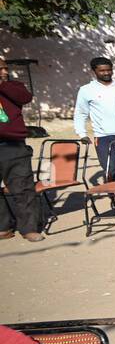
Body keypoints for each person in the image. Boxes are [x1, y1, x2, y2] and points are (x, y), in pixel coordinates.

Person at [0, 56, 41, 242]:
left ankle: (29, 228)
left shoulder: (13, 86)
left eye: (5, 68)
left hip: (13, 145)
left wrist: (2, 84)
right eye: (0, 69)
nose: (5, 71)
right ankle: (3, 226)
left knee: (23, 186)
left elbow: (25, 98)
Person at [73, 57, 115, 180]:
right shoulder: (86, 90)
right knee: (110, 167)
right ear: (94, 71)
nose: (106, 73)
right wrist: (82, 133)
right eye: (102, 71)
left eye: (109, 70)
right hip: (103, 136)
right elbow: (81, 113)